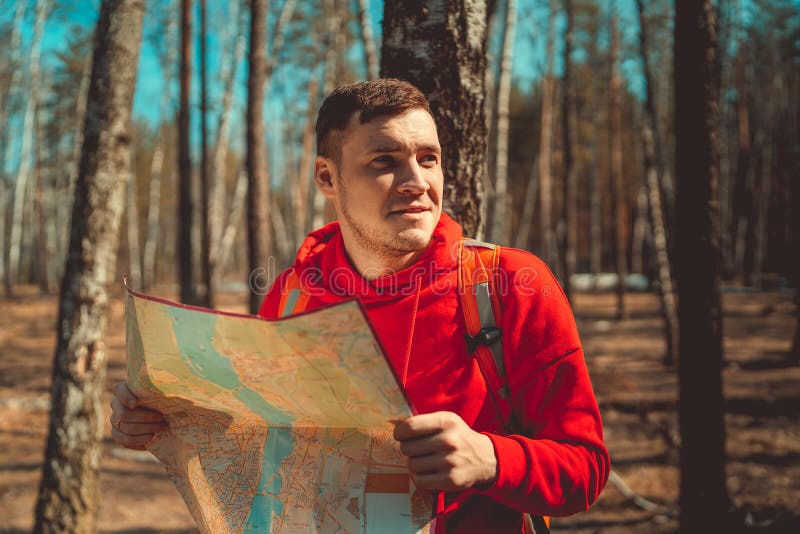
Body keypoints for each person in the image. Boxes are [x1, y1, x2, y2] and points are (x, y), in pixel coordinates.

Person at [111, 78, 609, 532]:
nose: (417, 181)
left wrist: (492, 459)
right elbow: (265, 446)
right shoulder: (291, 293)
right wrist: (164, 421)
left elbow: (585, 471)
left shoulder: (508, 284)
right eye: (384, 162)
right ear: (327, 178)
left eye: (428, 158)